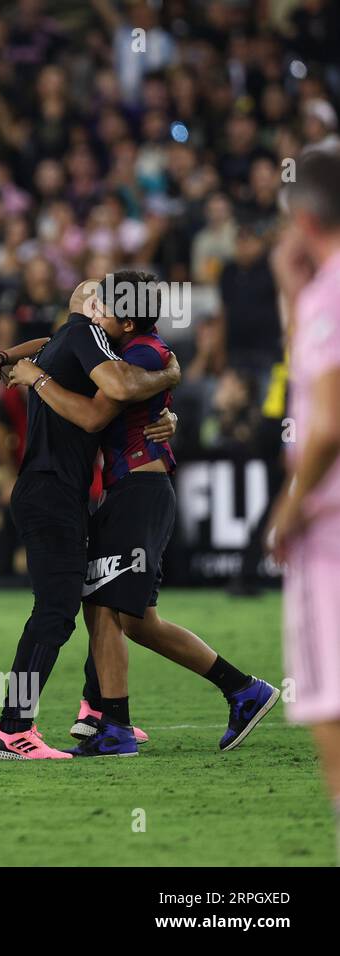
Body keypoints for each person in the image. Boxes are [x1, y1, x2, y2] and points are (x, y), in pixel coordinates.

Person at [0, 273, 277, 757]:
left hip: (137, 492)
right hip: (122, 492)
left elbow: (98, 410)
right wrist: (1, 358)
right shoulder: (114, 344)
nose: (94, 311)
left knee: (94, 608)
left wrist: (35, 377)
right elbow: (62, 339)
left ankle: (101, 722)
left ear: (125, 319)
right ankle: (236, 692)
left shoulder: (141, 353)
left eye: (103, 305)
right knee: (127, 617)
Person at [0, 276, 181, 760]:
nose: (109, 308)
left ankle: (95, 711)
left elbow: (45, 343)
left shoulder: (69, 339)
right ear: (91, 310)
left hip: (61, 492)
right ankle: (11, 729)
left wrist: (4, 358)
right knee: (56, 611)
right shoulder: (84, 334)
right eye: (102, 299)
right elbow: (99, 410)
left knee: (95, 598)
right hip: (51, 493)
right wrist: (170, 375)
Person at [265, 148, 340, 862]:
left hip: (331, 527)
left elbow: (330, 418)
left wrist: (292, 504)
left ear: (304, 214)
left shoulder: (332, 292)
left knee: (332, 715)